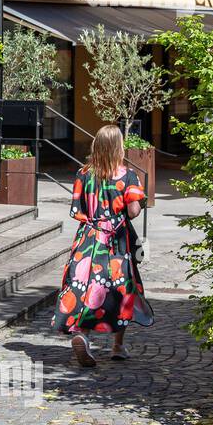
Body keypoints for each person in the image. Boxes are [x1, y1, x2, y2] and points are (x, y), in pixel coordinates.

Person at [52, 124, 149, 367]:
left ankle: (82, 335)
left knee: (84, 286)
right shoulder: (128, 176)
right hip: (116, 241)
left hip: (88, 239)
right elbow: (134, 211)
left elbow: (77, 210)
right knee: (121, 289)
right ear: (118, 147)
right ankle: (118, 346)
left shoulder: (83, 174)